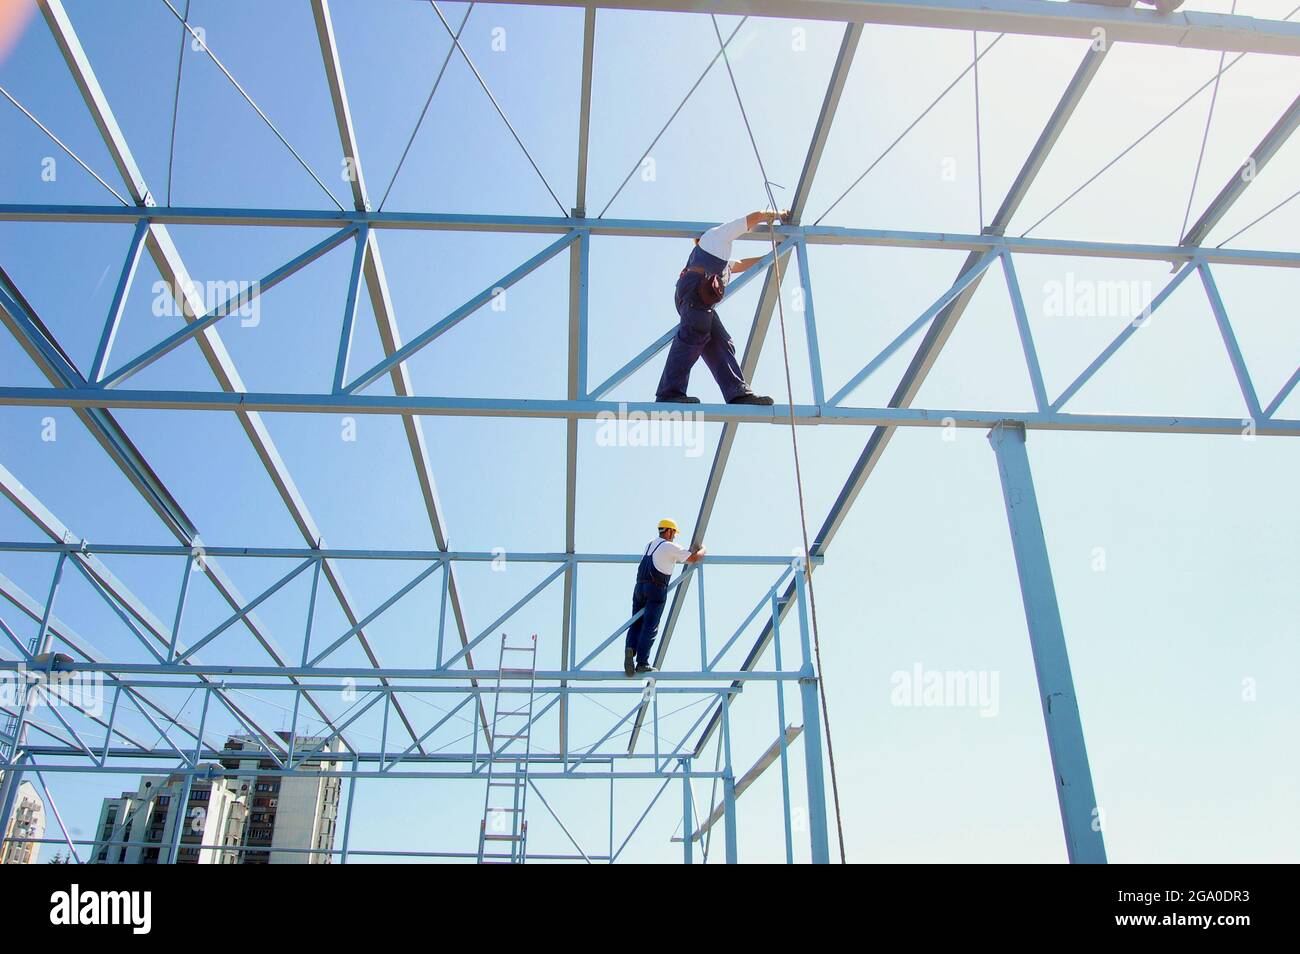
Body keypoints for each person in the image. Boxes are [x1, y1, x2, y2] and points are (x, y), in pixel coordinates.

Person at [656, 209, 789, 405]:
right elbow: (746, 221)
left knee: (720, 340)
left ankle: (738, 393)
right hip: (694, 289)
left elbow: (743, 264)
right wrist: (772, 214)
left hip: (700, 298)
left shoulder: (723, 260)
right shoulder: (715, 237)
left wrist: (775, 252)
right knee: (694, 332)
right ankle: (668, 393)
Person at [625, 519, 705, 676]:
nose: (674, 536)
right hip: (656, 588)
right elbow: (693, 558)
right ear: (668, 531)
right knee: (650, 625)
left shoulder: (650, 544)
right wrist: (703, 550)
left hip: (639, 587)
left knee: (636, 622)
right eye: (673, 533)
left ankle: (630, 648)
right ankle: (642, 662)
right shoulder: (670, 546)